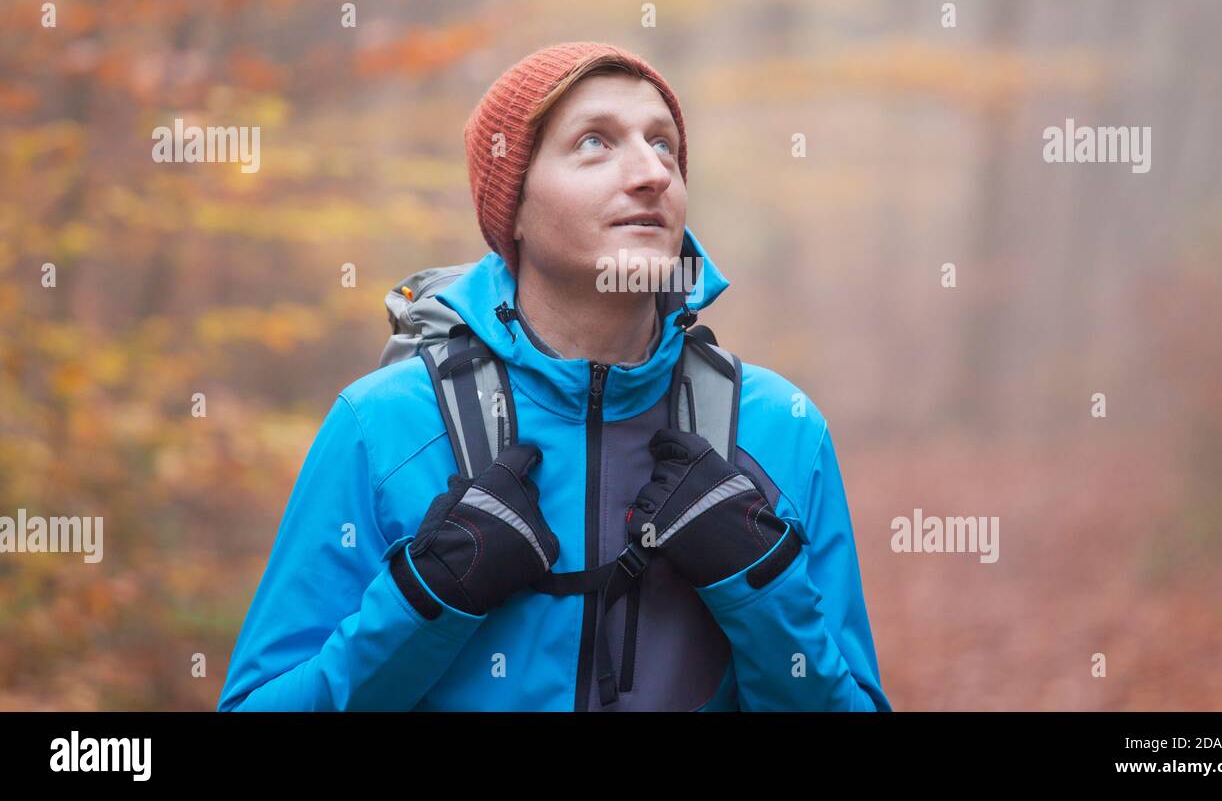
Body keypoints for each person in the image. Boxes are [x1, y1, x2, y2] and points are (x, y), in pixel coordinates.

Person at [217, 41, 892, 711]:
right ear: (511, 207)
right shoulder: (386, 424)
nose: (652, 173)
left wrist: (761, 588)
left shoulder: (782, 429)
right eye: (595, 142)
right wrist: (424, 600)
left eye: (663, 145)